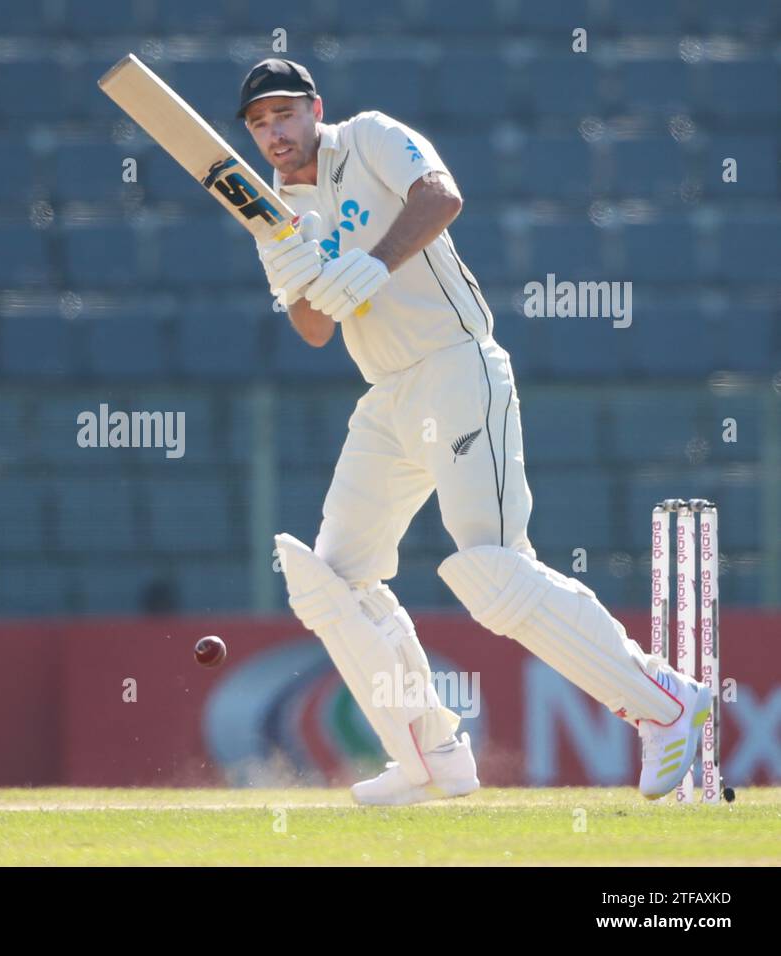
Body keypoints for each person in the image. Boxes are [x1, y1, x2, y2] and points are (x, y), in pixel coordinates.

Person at [239, 58, 709, 805]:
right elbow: (311, 331)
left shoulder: (369, 138)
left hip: (456, 367)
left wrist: (370, 264)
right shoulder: (271, 210)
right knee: (332, 580)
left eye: (285, 114)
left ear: (314, 109)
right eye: (260, 123)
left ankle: (664, 703)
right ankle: (432, 759)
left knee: (492, 571)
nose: (275, 132)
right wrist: (307, 273)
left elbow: (442, 195)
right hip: (387, 395)